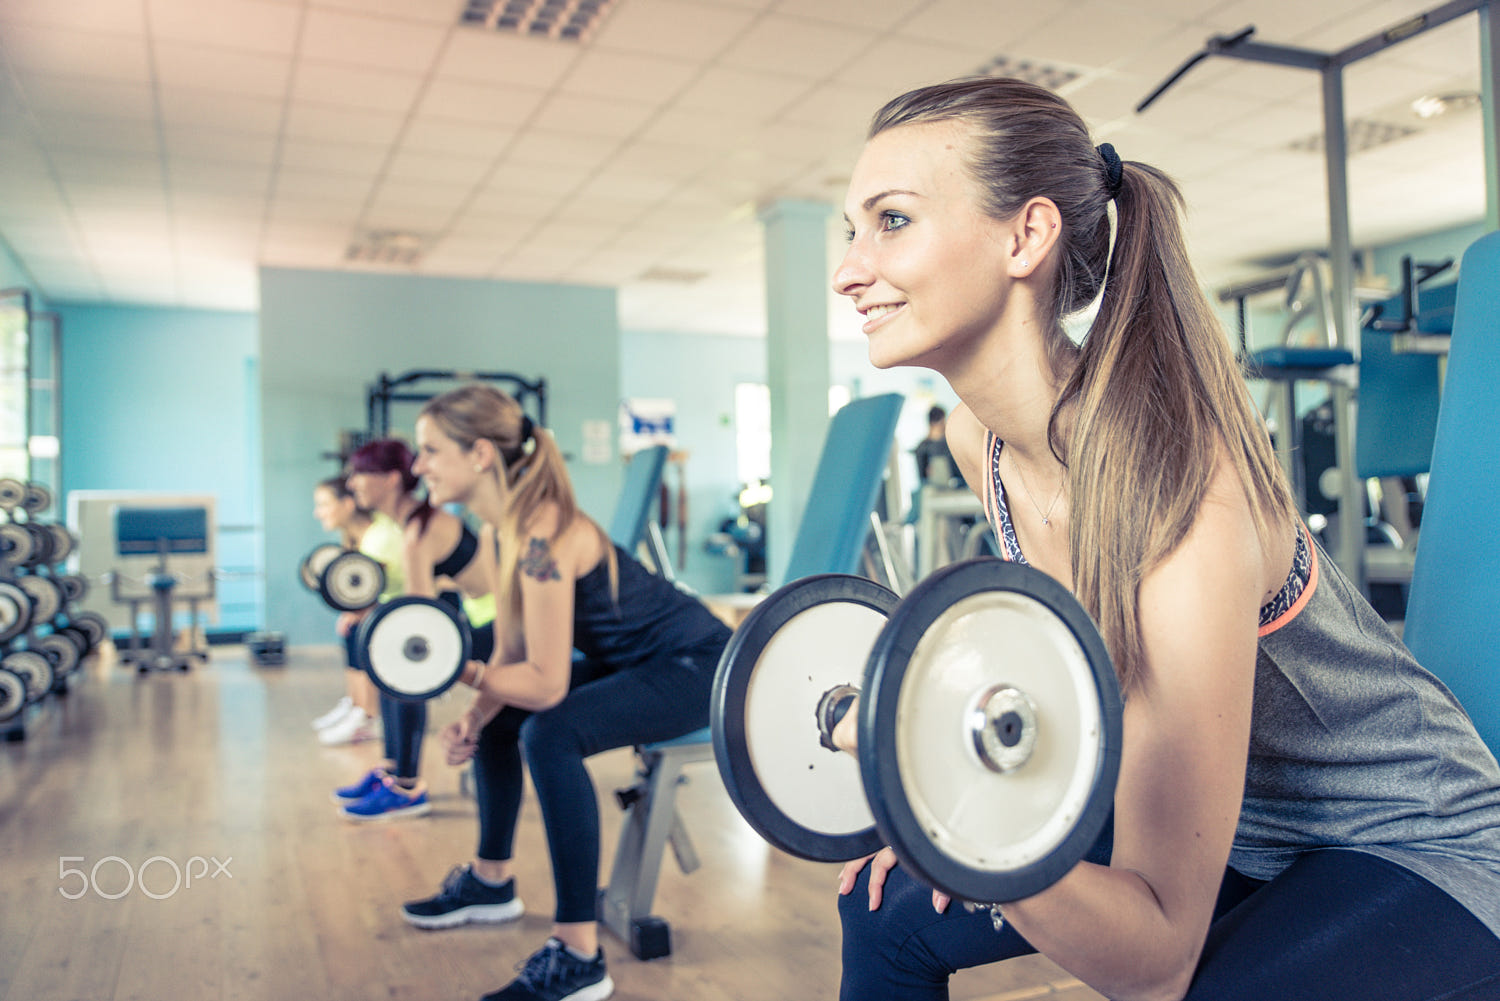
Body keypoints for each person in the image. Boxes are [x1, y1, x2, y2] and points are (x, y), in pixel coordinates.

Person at [828, 76, 1500, 1001]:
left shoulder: (1179, 495)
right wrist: (959, 803)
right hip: (1246, 823)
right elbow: (1089, 684)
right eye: (850, 230)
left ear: (1025, 236)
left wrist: (969, 834)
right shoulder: (975, 441)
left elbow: (1153, 963)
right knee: (886, 916)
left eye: (891, 221)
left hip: (1413, 841)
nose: (849, 268)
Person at [403, 384, 730, 1001]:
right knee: (505, 719)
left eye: (429, 450)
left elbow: (547, 685)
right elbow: (510, 653)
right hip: (637, 662)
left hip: (700, 666)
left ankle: (578, 954)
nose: (418, 466)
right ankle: (492, 880)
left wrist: (459, 669)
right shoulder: (505, 529)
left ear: (478, 455)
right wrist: (476, 714)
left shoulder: (541, 533)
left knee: (549, 731)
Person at [329, 438, 498, 823]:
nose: (352, 483)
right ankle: (392, 769)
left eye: (360, 474)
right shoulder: (405, 525)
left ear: (390, 480)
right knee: (388, 660)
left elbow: (418, 620)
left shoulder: (419, 532)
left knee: (401, 670)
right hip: (476, 614)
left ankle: (406, 787)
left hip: (495, 625)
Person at [309, 476, 379, 737]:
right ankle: (357, 705)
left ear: (348, 504)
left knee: (359, 630)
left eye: (324, 504)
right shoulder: (350, 539)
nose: (318, 513)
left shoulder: (376, 537)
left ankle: (368, 715)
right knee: (350, 629)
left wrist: (359, 613)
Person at [913, 404, 958, 487]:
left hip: (953, 489)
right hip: (932, 491)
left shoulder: (951, 443)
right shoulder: (923, 448)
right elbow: (922, 476)